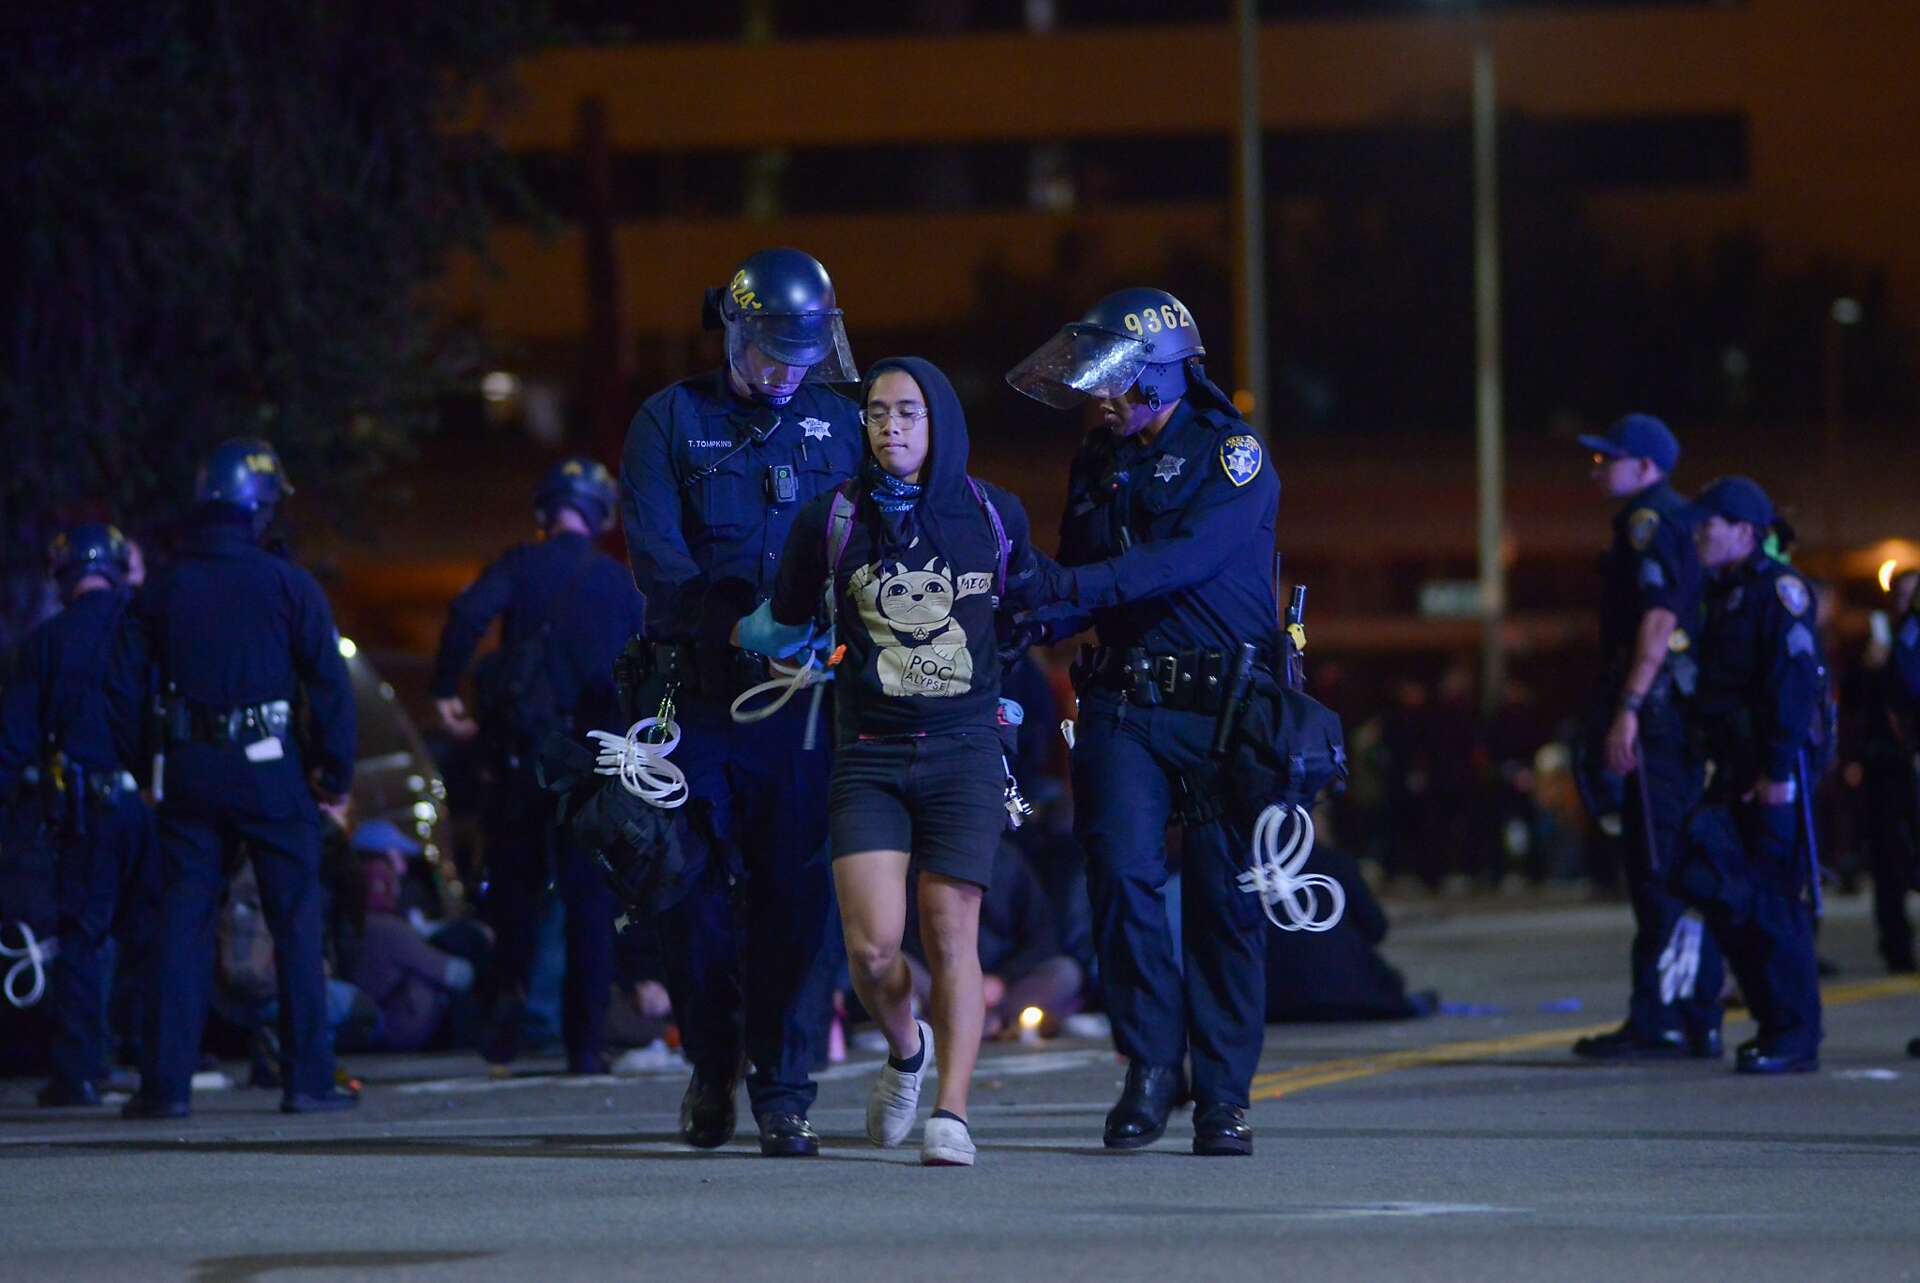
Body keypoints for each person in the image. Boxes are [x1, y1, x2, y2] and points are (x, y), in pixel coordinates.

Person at [1005, 287, 1282, 1156]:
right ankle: (1152, 1066)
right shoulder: (1099, 456)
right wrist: (1001, 606)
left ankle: (1224, 1096)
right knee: (1121, 883)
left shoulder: (1232, 454)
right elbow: (1074, 576)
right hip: (1125, 702)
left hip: (1224, 710)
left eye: (1118, 380)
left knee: (1222, 904)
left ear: (1163, 375)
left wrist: (1071, 591)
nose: (1101, 396)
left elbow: (1176, 563)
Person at [751, 355, 1047, 1166]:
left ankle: (951, 1112)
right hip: (870, 755)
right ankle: (906, 1048)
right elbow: (779, 620)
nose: (891, 427)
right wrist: (756, 636)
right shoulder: (833, 519)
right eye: (878, 413)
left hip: (964, 752)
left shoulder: (994, 512)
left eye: (908, 413)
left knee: (952, 932)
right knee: (874, 948)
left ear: (939, 420)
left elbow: (1031, 603)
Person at [619, 247, 864, 1157]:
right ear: (735, 331)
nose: (788, 369)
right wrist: (739, 627)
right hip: (701, 696)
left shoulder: (840, 424)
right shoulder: (671, 422)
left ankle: (785, 1090)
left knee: (801, 906)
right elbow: (659, 560)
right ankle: (711, 1061)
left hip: (806, 705)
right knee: (680, 888)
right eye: (773, 351)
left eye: (804, 353)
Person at [106, 438, 358, 1116]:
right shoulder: (287, 584)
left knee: (183, 925)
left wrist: (144, 764)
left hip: (189, 772)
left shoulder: (164, 588)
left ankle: (166, 1087)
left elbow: (123, 688)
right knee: (296, 922)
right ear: (261, 507)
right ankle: (306, 1081)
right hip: (269, 768)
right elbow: (329, 685)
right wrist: (333, 770)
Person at [430, 457, 644, 1074]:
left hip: (525, 760)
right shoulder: (618, 583)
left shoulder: (518, 566)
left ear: (545, 510)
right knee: (589, 904)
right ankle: (584, 1045)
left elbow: (468, 616)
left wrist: (447, 688)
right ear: (601, 513)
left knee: (516, 897)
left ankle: (506, 1025)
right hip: (595, 764)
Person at [1570, 414, 1725, 1060]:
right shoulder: (1667, 519)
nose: (1598, 467)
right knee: (1671, 862)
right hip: (1672, 718)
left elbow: (1659, 619)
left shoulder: (1649, 523)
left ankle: (1664, 1017)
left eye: (1611, 458)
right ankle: (1691, 1014)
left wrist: (1629, 706)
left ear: (1646, 466)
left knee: (1658, 867)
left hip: (1658, 719)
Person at [1672, 476, 1824, 1074]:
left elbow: (1794, 685)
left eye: (1709, 524)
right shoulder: (1723, 591)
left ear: (1744, 531)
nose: (1698, 532)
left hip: (1771, 771)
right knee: (1709, 880)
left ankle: (1793, 1035)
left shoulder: (1777, 591)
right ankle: (1769, 1022)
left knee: (1774, 903)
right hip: (1733, 766)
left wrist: (1779, 772)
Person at [0, 524, 155, 1106]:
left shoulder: (46, 643)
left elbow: (12, 745)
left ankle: (80, 1072)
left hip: (89, 809)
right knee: (155, 934)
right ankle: (160, 1065)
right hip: (152, 805)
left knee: (84, 938)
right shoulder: (145, 629)